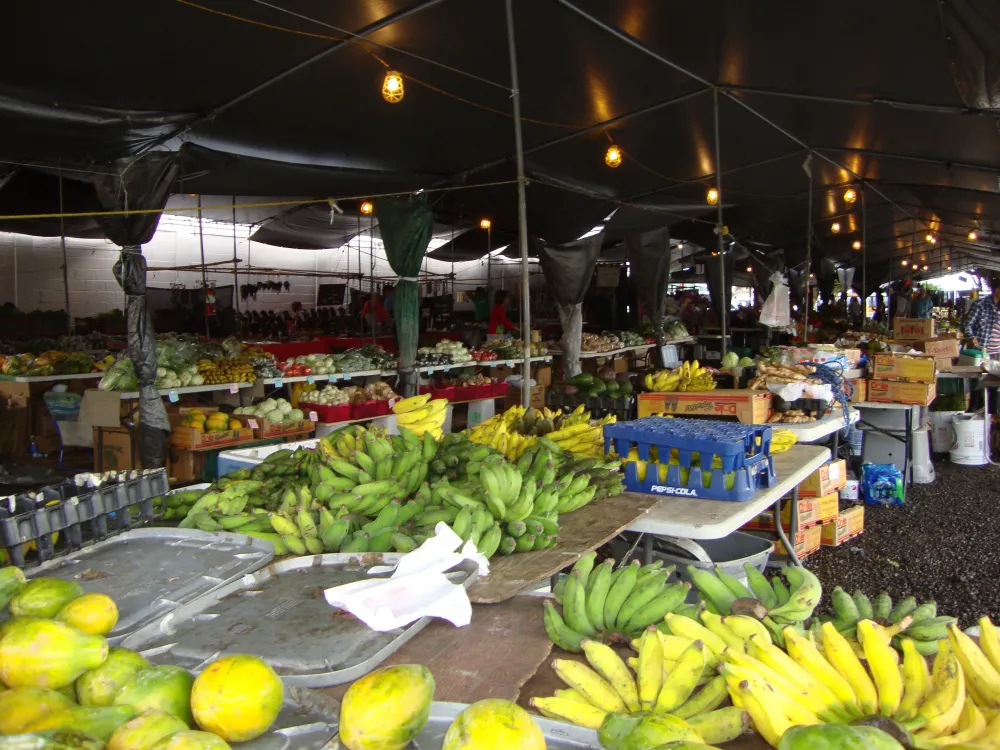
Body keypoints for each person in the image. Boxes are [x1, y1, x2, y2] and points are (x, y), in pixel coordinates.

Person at [962, 281, 1000, 356]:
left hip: (997, 352)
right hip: (980, 352)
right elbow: (967, 324)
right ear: (997, 290)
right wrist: (971, 337)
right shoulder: (980, 304)